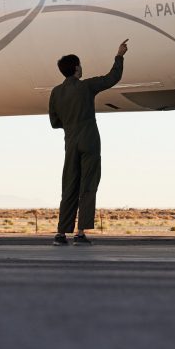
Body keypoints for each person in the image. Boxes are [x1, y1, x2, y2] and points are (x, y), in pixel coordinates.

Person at [48, 39, 128, 244]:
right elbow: (112, 77)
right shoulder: (86, 87)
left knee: (69, 187)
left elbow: (54, 122)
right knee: (88, 185)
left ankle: (61, 233)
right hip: (89, 140)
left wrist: (70, 125)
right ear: (76, 68)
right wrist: (119, 56)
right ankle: (80, 232)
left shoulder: (56, 92)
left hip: (70, 143)